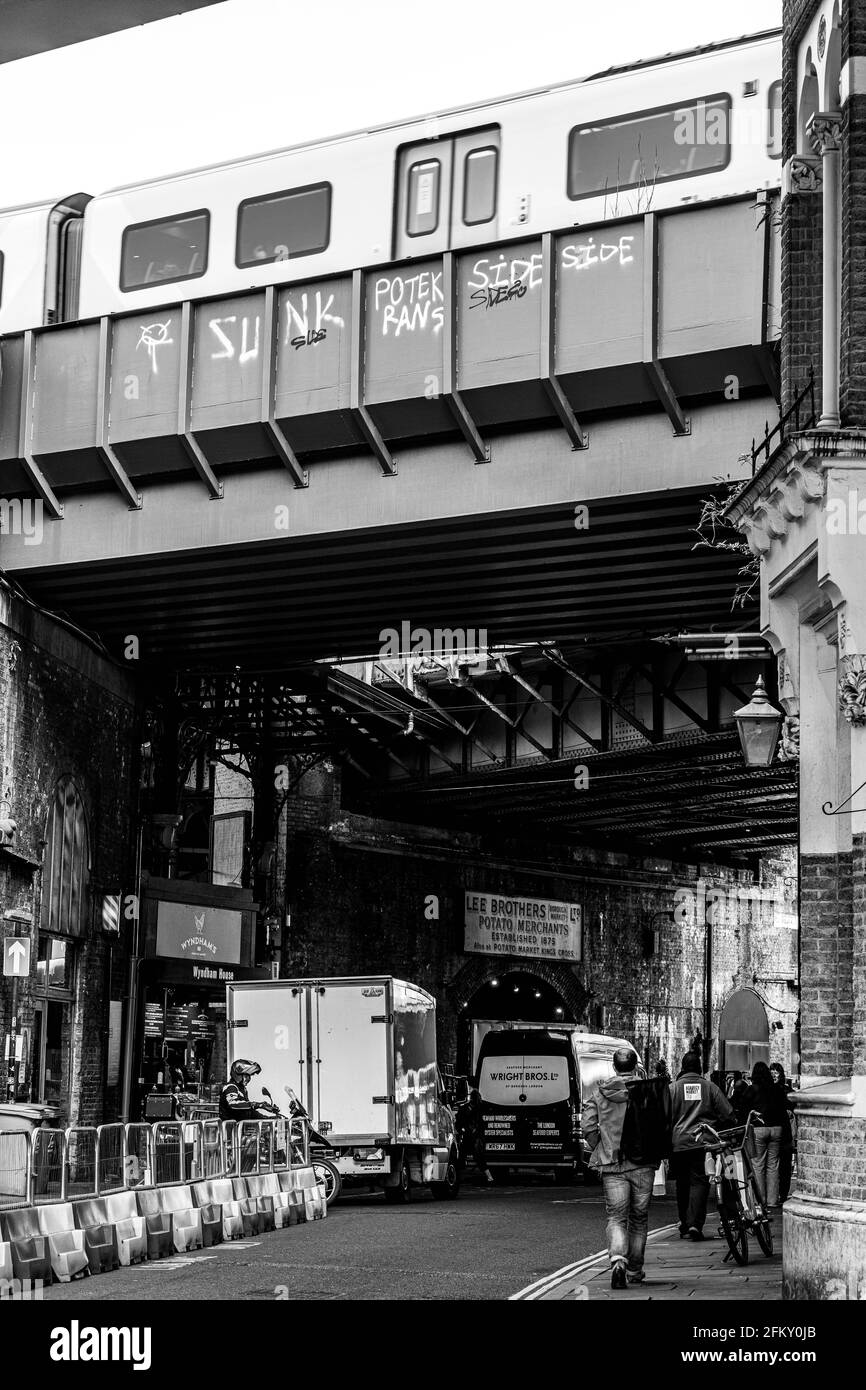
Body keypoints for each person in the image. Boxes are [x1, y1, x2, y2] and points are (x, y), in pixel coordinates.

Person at [582, 1047, 671, 1289]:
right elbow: (662, 1123)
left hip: (612, 1163)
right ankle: (634, 1270)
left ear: (614, 1066)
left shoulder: (600, 1093)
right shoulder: (648, 1092)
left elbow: (588, 1126)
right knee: (639, 1218)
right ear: (635, 1067)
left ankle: (618, 1261)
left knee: (616, 1217)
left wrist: (601, 1146)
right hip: (643, 1163)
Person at [669, 1050, 734, 1240]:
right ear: (699, 1068)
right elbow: (728, 1113)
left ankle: (685, 1223)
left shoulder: (672, 1089)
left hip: (679, 1144)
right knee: (700, 1182)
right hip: (703, 1143)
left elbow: (665, 1117)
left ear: (682, 1067)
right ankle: (695, 1224)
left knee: (682, 1184)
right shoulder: (710, 1087)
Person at [740, 1060, 792, 1211]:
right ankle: (772, 1200)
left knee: (758, 1164)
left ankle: (760, 1200)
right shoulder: (776, 1089)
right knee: (773, 1165)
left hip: (759, 1129)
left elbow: (743, 1109)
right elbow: (783, 1109)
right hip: (776, 1129)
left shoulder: (751, 1090)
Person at [770, 1061, 796, 1202]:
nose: (774, 1076)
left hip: (779, 1132)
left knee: (774, 1165)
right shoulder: (788, 1092)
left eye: (776, 1073)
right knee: (783, 1165)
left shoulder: (768, 1092)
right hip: (785, 1132)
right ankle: (782, 1194)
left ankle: (775, 1195)